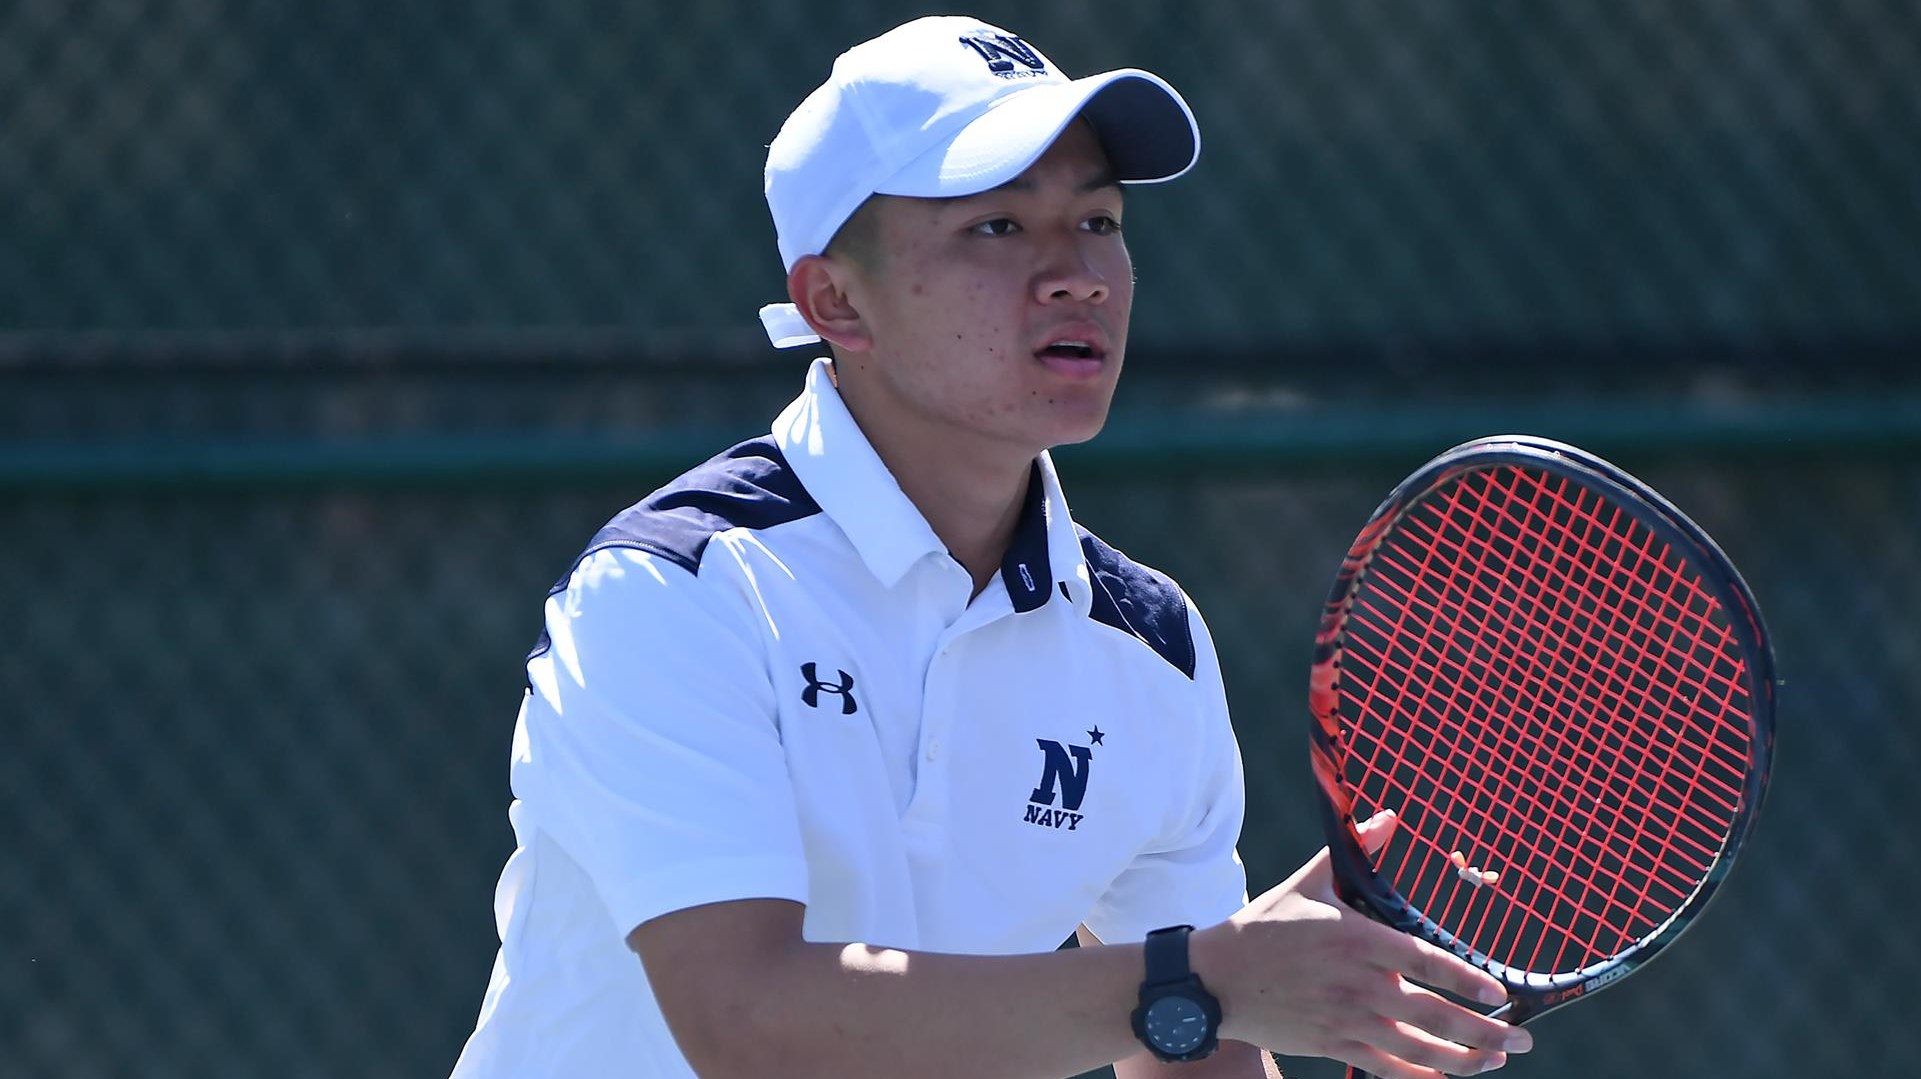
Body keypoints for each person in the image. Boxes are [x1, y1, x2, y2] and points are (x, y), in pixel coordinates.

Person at [450, 16, 1533, 1079]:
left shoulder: (1152, 648)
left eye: (1098, 220)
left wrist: (1264, 986)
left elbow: (1192, 1050)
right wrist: (1206, 976)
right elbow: (751, 1025)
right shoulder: (673, 591)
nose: (1079, 274)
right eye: (998, 226)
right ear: (836, 301)